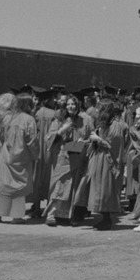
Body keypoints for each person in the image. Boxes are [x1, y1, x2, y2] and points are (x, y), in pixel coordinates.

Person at [0, 92, 39, 224]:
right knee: (19, 189)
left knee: (6, 187)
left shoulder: (8, 117)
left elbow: (0, 136)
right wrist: (35, 155)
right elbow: (32, 141)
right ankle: (17, 216)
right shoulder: (29, 119)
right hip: (22, 157)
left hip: (7, 154)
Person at [44, 94, 93, 227]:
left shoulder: (84, 120)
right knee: (59, 186)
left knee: (73, 187)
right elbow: (49, 138)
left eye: (73, 104)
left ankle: (66, 215)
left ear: (78, 106)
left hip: (78, 157)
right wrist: (62, 130)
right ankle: (51, 214)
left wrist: (85, 142)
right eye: (68, 104)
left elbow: (91, 135)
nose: (71, 107)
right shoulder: (59, 119)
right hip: (63, 157)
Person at [81, 99, 126, 230]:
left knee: (106, 188)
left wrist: (98, 139)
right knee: (100, 188)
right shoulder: (105, 123)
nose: (96, 110)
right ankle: (103, 218)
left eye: (99, 108)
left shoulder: (115, 124)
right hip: (100, 158)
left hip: (108, 160)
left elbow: (113, 144)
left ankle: (107, 220)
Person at [28, 87, 56, 219]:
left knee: (36, 177)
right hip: (49, 148)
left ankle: (36, 206)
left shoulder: (36, 113)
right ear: (48, 100)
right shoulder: (54, 114)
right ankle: (49, 209)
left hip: (37, 149)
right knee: (49, 177)